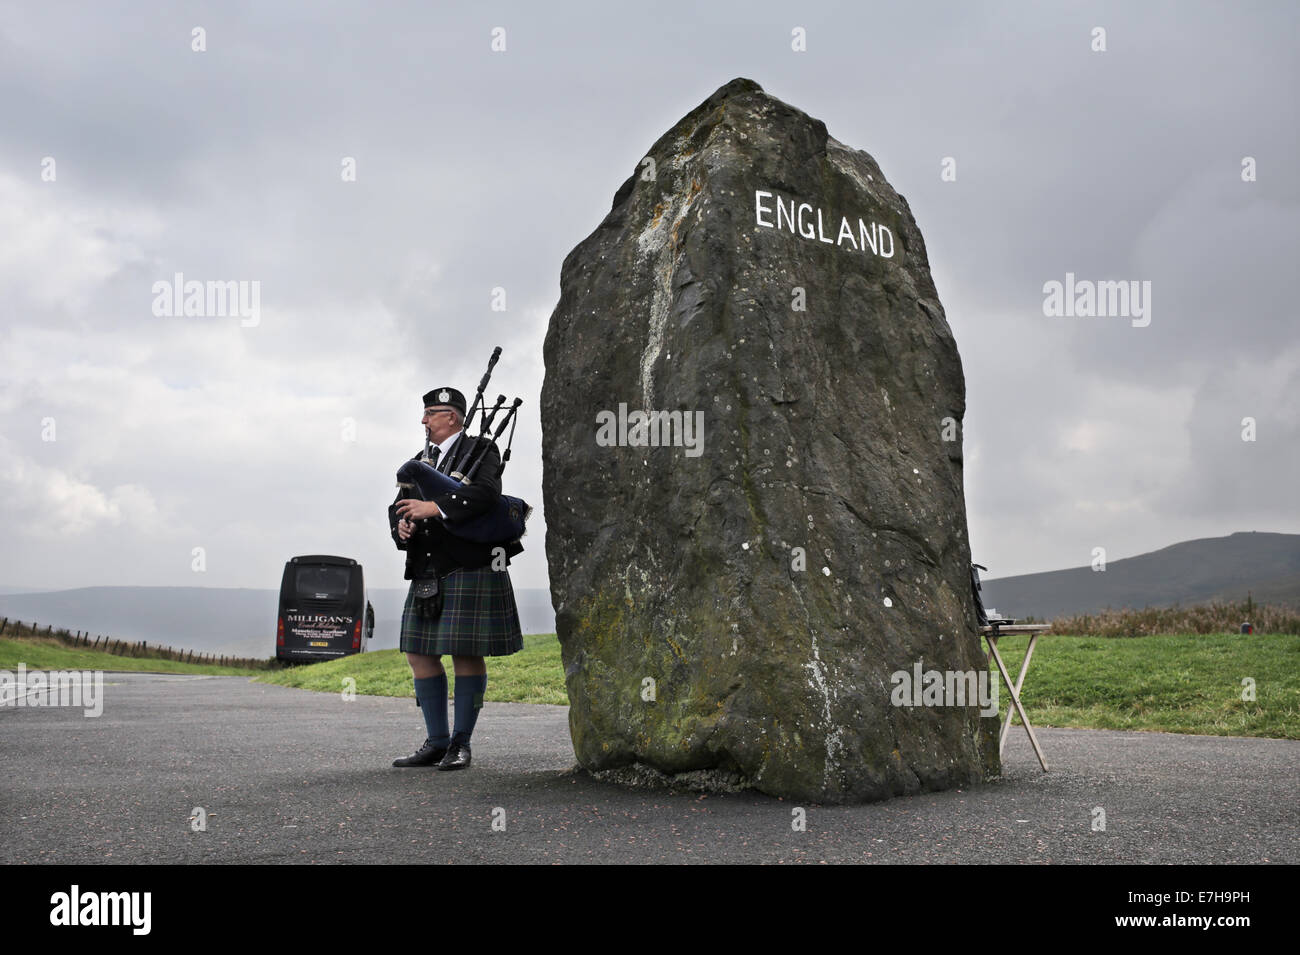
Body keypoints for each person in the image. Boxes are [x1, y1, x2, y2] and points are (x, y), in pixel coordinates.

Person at [389, 386, 524, 771]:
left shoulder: (482, 450)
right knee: (419, 654)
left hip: (471, 565)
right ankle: (437, 741)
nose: (424, 421)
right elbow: (396, 506)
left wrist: (433, 506)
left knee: (466, 652)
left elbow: (485, 495)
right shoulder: (419, 461)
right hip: (430, 567)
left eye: (431, 413)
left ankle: (461, 744)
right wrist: (402, 526)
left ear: (453, 417)